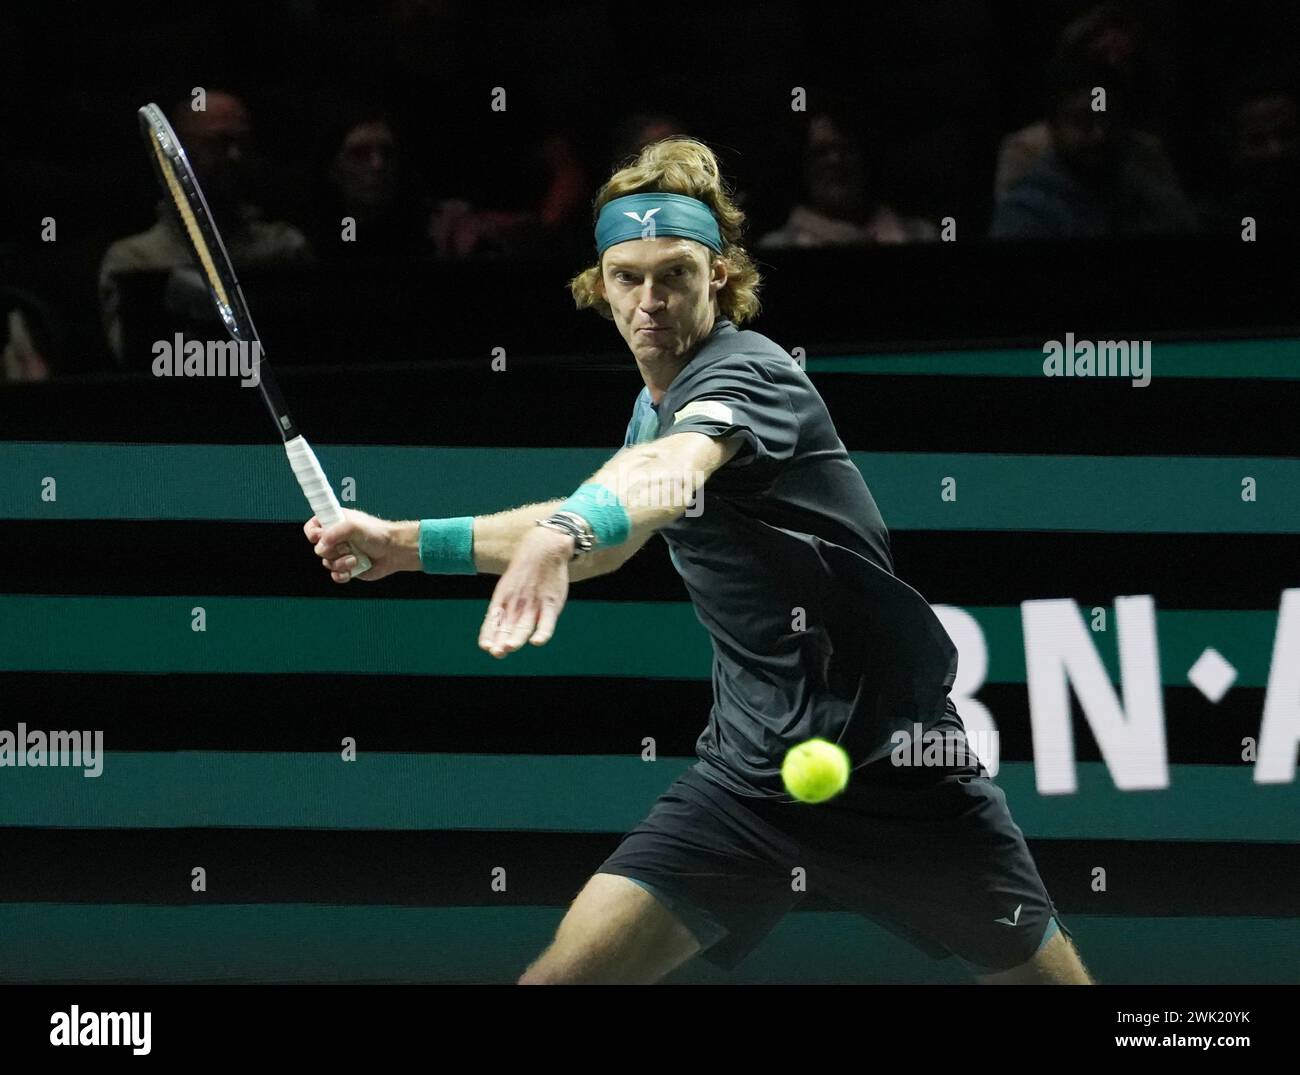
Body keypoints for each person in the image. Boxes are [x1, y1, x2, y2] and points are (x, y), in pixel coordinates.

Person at [302, 138, 1092, 985]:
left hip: (900, 776)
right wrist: (407, 544)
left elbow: (668, 474)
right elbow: (619, 532)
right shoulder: (654, 408)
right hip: (746, 784)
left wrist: (563, 530)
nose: (650, 300)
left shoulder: (750, 376)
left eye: (675, 272)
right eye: (627, 276)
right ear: (597, 286)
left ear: (718, 275)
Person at [98, 91, 311, 362]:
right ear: (176, 153)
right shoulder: (135, 260)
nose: (234, 156)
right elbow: (133, 360)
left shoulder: (285, 248)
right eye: (219, 144)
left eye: (243, 144)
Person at [990, 55, 1197, 238]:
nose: (1099, 135)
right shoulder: (1028, 211)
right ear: (1054, 127)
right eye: (1082, 121)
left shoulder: (1151, 194)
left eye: (1109, 120)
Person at [759, 111, 936, 247]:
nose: (835, 161)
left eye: (846, 148)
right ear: (803, 164)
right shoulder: (778, 246)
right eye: (821, 152)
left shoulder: (921, 236)